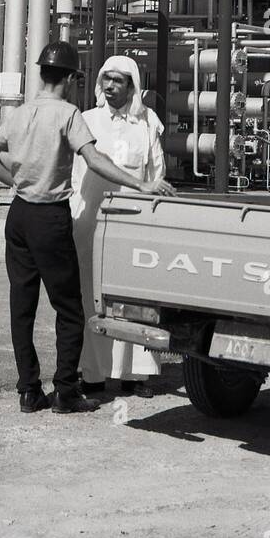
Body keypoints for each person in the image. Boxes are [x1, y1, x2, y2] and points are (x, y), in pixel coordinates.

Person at [0, 41, 168, 416]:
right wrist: (141, 185)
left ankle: (29, 392)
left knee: (23, 307)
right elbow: (95, 161)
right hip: (50, 217)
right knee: (69, 310)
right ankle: (66, 392)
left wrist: (14, 183)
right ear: (68, 78)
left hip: (19, 216)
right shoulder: (68, 114)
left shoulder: (19, 113)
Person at [72, 55, 171, 397]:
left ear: (132, 85)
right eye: (107, 79)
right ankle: (93, 374)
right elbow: (75, 175)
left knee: (135, 297)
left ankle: (136, 374)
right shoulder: (86, 121)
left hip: (133, 226)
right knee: (91, 298)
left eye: (118, 80)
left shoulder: (147, 124)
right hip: (90, 225)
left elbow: (156, 176)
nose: (111, 86)